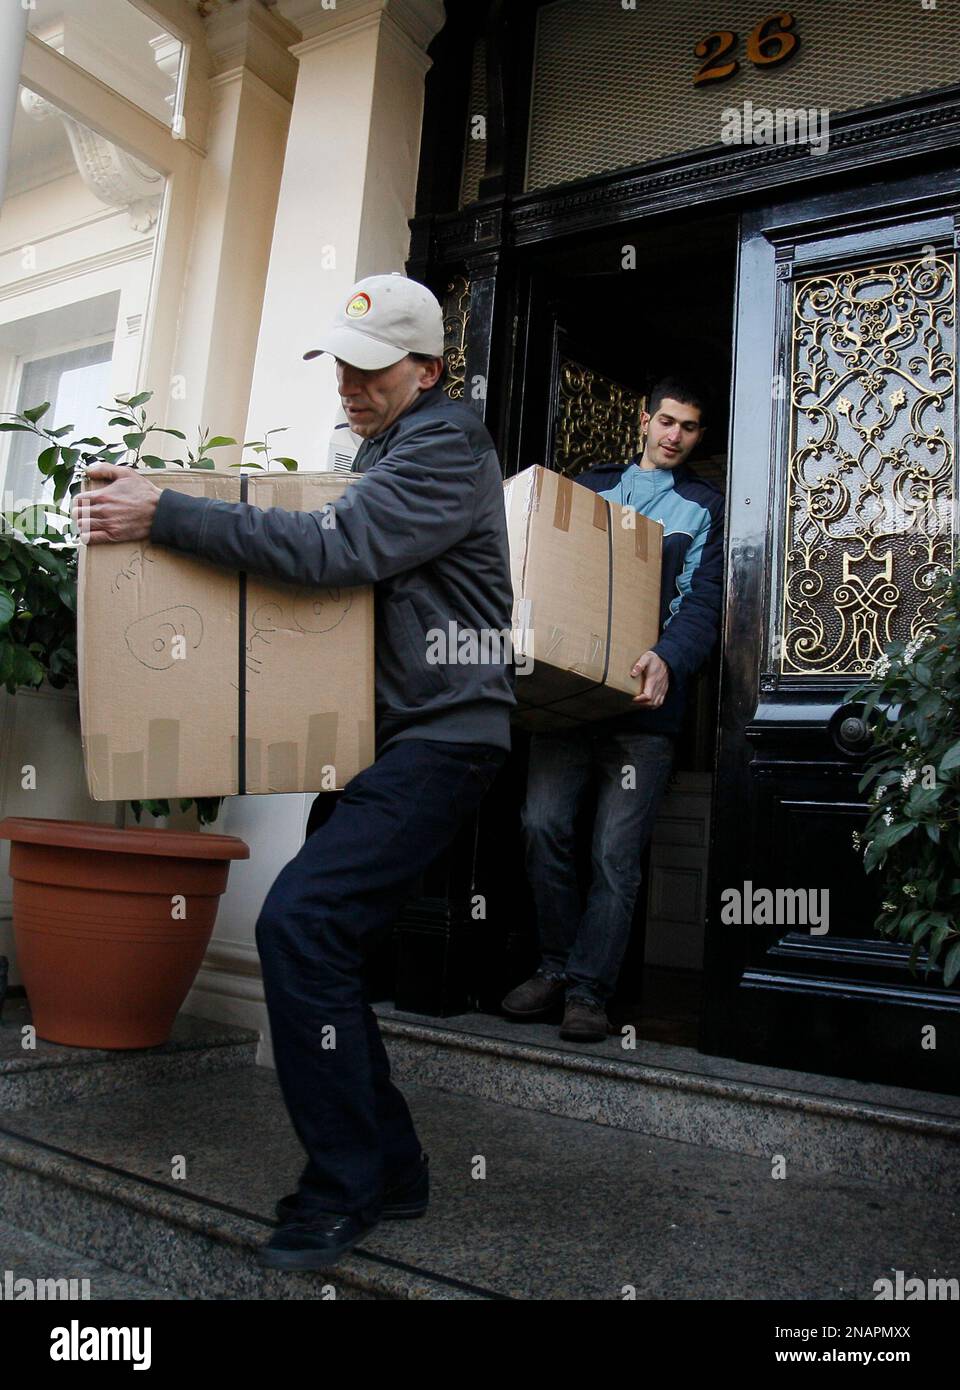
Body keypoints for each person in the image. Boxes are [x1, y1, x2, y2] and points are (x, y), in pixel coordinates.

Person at [72, 273, 516, 1269]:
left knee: (300, 922)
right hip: (381, 739)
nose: (349, 387)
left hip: (444, 735)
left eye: (370, 370)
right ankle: (391, 1168)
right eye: (340, 367)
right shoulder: (382, 446)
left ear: (428, 369)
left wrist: (165, 515)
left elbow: (333, 549)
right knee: (325, 943)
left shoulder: (448, 443)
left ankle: (344, 1186)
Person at [502, 377, 725, 1043]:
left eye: (687, 427)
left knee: (613, 856)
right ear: (643, 419)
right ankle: (556, 968)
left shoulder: (703, 509)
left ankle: (589, 993)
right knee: (542, 826)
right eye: (665, 421)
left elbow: (703, 605)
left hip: (643, 712)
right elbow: (536, 571)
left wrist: (667, 658)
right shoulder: (586, 489)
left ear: (698, 436)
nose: (673, 436)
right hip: (564, 703)